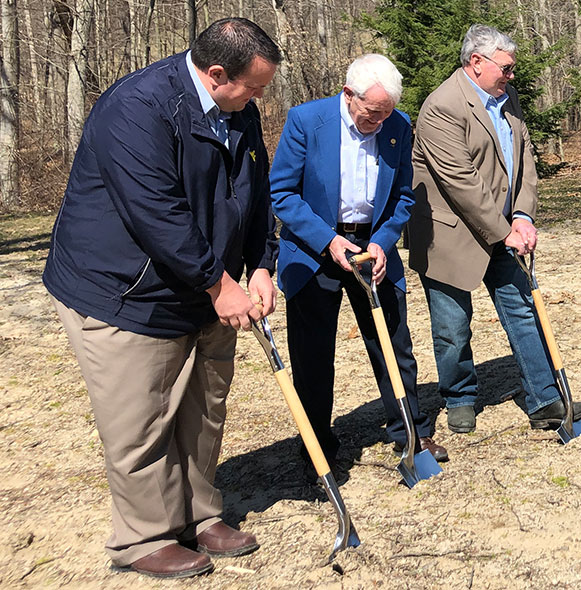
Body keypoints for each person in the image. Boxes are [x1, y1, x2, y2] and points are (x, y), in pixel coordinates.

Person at [42, 17, 279, 579]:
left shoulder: (237, 109)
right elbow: (157, 213)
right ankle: (143, 537)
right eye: (255, 86)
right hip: (127, 290)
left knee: (203, 410)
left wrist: (262, 265)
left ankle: (199, 514)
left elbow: (254, 190)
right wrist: (219, 283)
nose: (260, 99)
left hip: (203, 286)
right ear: (217, 73)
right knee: (142, 419)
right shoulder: (136, 109)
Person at [407, 24, 581, 434]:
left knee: (523, 311)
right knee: (452, 328)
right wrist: (503, 228)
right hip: (449, 234)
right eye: (506, 68)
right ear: (476, 62)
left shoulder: (507, 99)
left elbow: (524, 159)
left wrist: (523, 215)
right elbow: (460, 181)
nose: (512, 76)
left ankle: (545, 398)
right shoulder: (442, 107)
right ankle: (459, 397)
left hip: (505, 228)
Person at [269, 54, 446, 470]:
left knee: (394, 344)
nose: (380, 123)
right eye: (372, 113)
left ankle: (410, 434)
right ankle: (317, 450)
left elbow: (404, 196)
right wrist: (328, 241)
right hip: (316, 249)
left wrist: (383, 242)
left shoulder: (398, 126)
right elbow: (283, 194)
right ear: (348, 95)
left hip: (372, 248)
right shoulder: (306, 121)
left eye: (386, 114)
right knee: (312, 355)